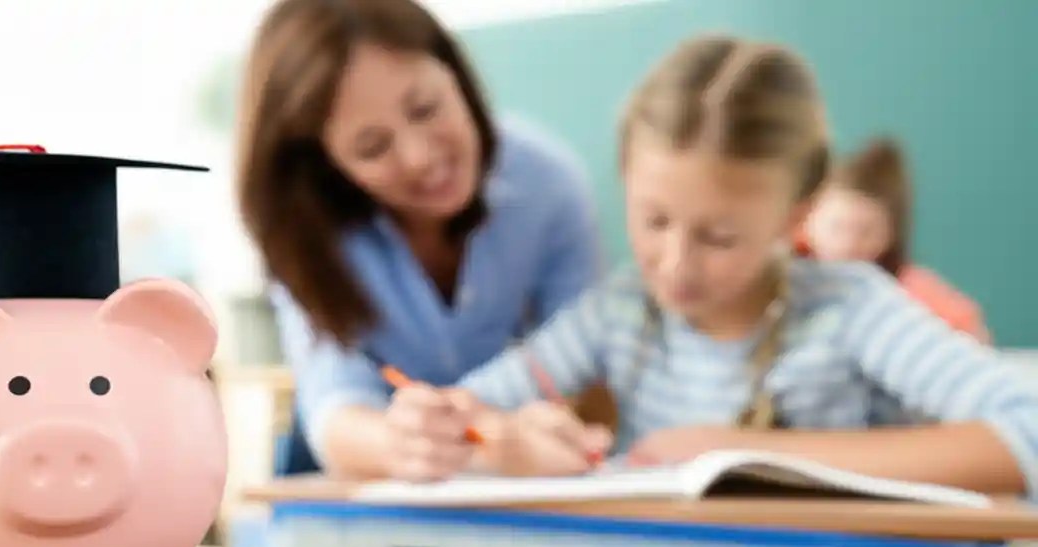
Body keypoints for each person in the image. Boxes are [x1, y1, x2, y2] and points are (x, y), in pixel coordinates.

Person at [386, 34, 1038, 498]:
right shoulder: (620, 310)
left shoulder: (849, 308)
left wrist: (745, 456)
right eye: (653, 221)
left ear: (795, 217)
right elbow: (473, 403)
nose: (674, 264)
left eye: (720, 237)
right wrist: (480, 428)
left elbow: (1026, 432)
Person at [234, 0, 608, 480]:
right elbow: (334, 407)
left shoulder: (548, 185)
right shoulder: (306, 229)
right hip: (372, 483)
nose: (418, 157)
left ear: (454, 73)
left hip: (530, 474)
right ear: (325, 163)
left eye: (426, 108)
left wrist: (524, 429)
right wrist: (405, 442)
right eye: (372, 147)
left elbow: (582, 361)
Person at [802, 138, 991, 342]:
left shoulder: (904, 288)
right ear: (806, 221)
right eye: (837, 227)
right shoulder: (787, 272)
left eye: (866, 231)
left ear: (890, 234)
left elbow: (973, 333)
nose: (848, 244)